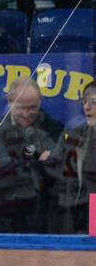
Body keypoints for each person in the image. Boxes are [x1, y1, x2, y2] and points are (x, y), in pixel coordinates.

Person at [0, 77, 62, 234]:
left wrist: (5, 165)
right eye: (21, 108)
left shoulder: (54, 131)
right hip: (2, 223)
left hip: (43, 222)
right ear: (9, 101)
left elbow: (57, 178)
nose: (26, 114)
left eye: (32, 108)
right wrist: (35, 161)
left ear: (40, 102)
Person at [45, 81, 96, 234]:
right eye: (84, 102)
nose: (87, 107)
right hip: (72, 211)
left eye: (94, 102)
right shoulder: (74, 133)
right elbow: (53, 167)